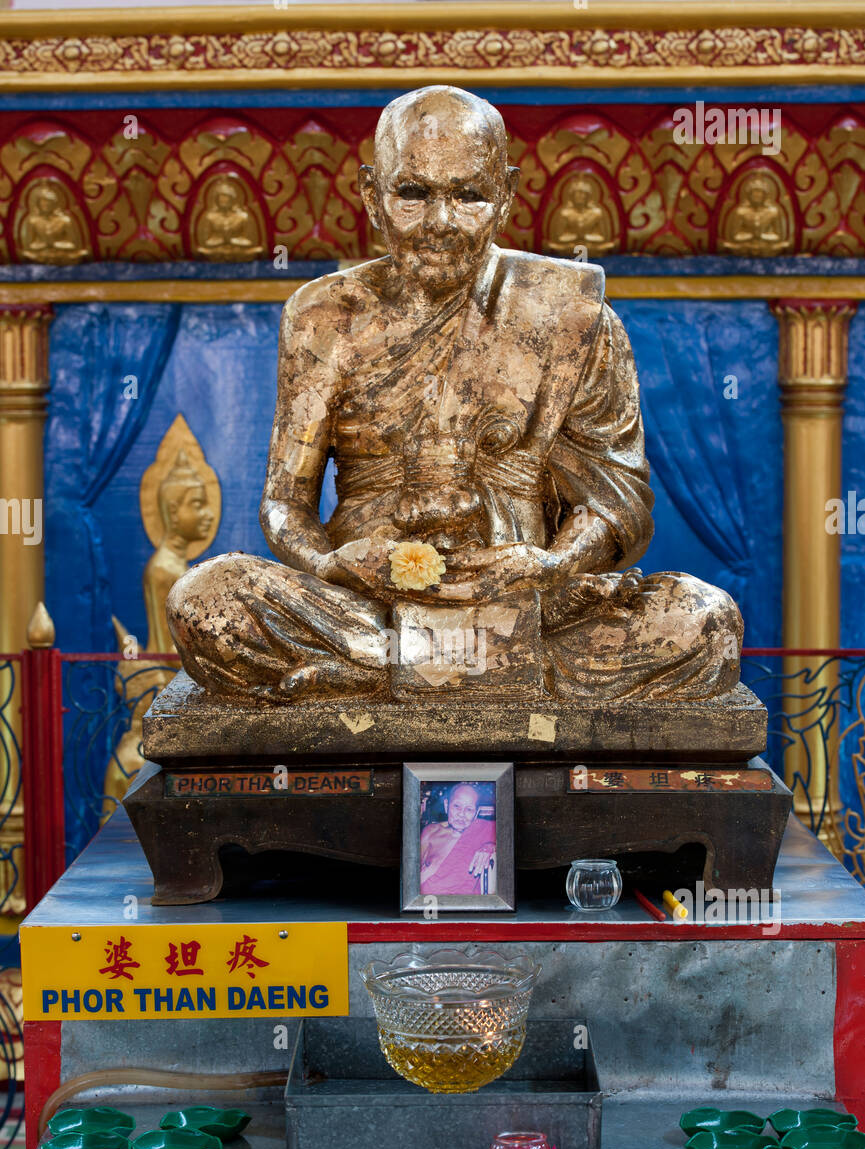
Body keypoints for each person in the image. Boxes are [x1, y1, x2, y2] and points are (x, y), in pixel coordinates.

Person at [167, 85, 742, 705]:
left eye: (468, 195)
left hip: (526, 601)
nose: (441, 223)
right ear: (371, 194)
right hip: (368, 604)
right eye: (413, 193)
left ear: (506, 196)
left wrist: (553, 564)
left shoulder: (569, 312)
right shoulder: (322, 316)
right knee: (208, 601)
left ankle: (394, 674)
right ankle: (497, 673)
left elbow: (618, 498)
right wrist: (335, 566)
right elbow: (284, 504)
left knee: (703, 622)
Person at [420, 784, 495, 896]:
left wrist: (490, 846)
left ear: (476, 813)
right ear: (446, 805)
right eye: (456, 806)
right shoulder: (430, 832)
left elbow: (509, 837)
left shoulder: (484, 829)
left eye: (469, 809)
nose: (461, 814)